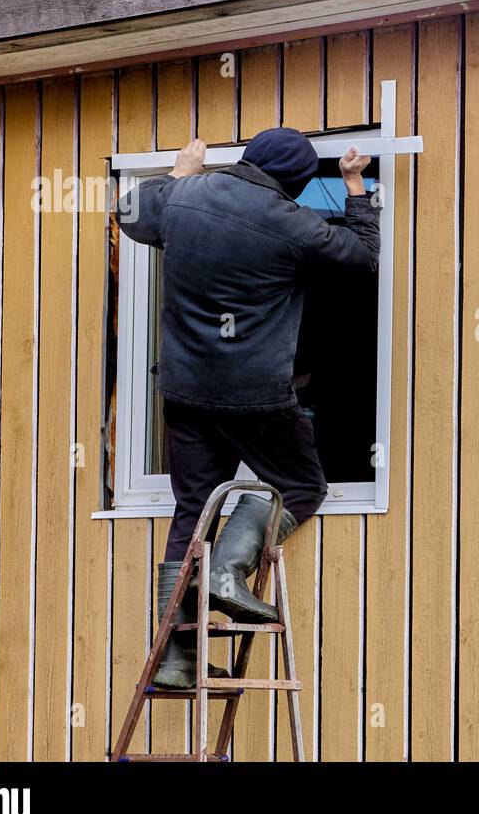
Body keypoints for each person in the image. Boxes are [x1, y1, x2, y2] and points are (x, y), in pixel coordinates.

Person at [117, 128, 377, 688]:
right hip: (254, 393)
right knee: (300, 486)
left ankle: (173, 660)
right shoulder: (291, 222)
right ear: (299, 183)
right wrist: (356, 187)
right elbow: (362, 260)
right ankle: (228, 572)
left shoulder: (186, 197)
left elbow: (129, 211)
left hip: (185, 392)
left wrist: (181, 171)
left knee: (192, 514)